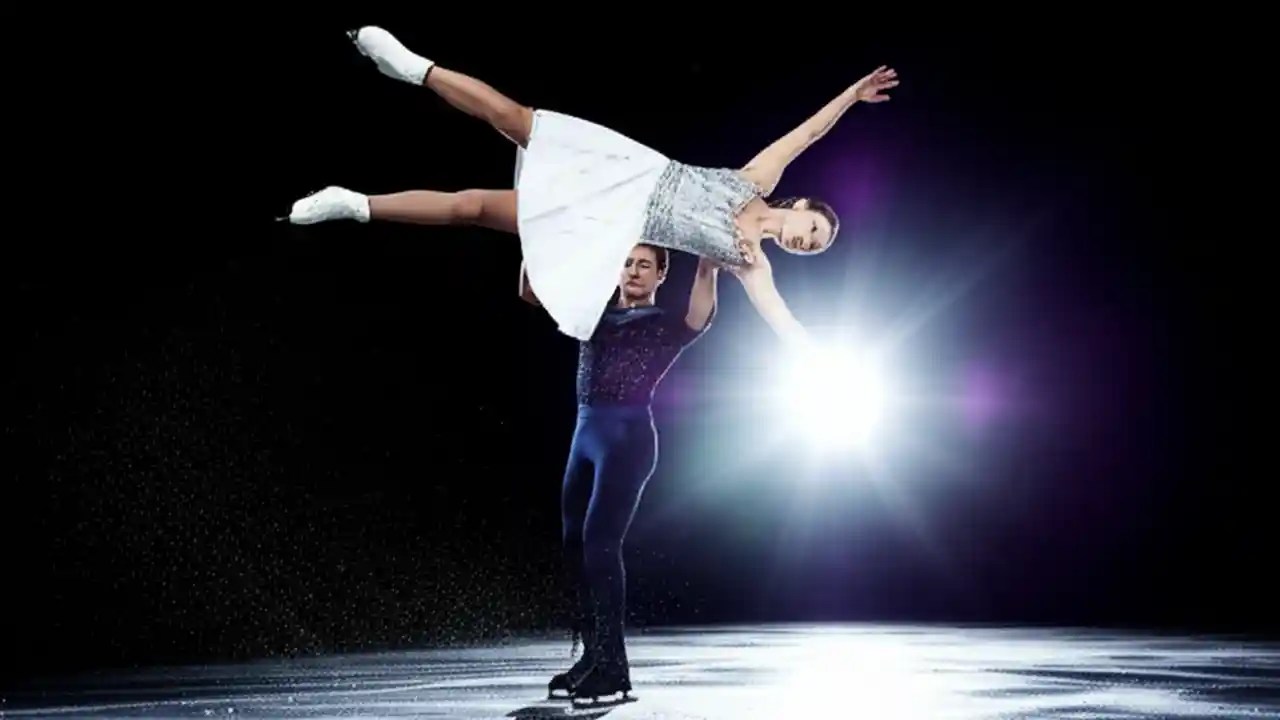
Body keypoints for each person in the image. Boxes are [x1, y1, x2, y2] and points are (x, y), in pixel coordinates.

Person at [288, 27, 897, 345]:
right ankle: (412, 67)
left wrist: (818, 357)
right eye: (811, 229)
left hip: (611, 223)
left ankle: (353, 204)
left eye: (812, 248)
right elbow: (808, 134)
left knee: (472, 208)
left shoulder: (748, 263)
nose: (805, 242)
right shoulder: (757, 180)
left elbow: (784, 323)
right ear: (798, 208)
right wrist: (852, 94)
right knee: (517, 120)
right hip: (629, 170)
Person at [520, 243, 719, 704]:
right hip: (584, 436)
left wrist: (709, 264)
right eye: (628, 262)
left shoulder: (666, 323)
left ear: (660, 276)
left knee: (600, 543)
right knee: (574, 547)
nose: (633, 271)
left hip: (627, 439)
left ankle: (614, 668)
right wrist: (535, 235)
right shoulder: (591, 314)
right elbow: (530, 291)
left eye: (644, 265)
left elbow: (700, 314)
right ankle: (592, 656)